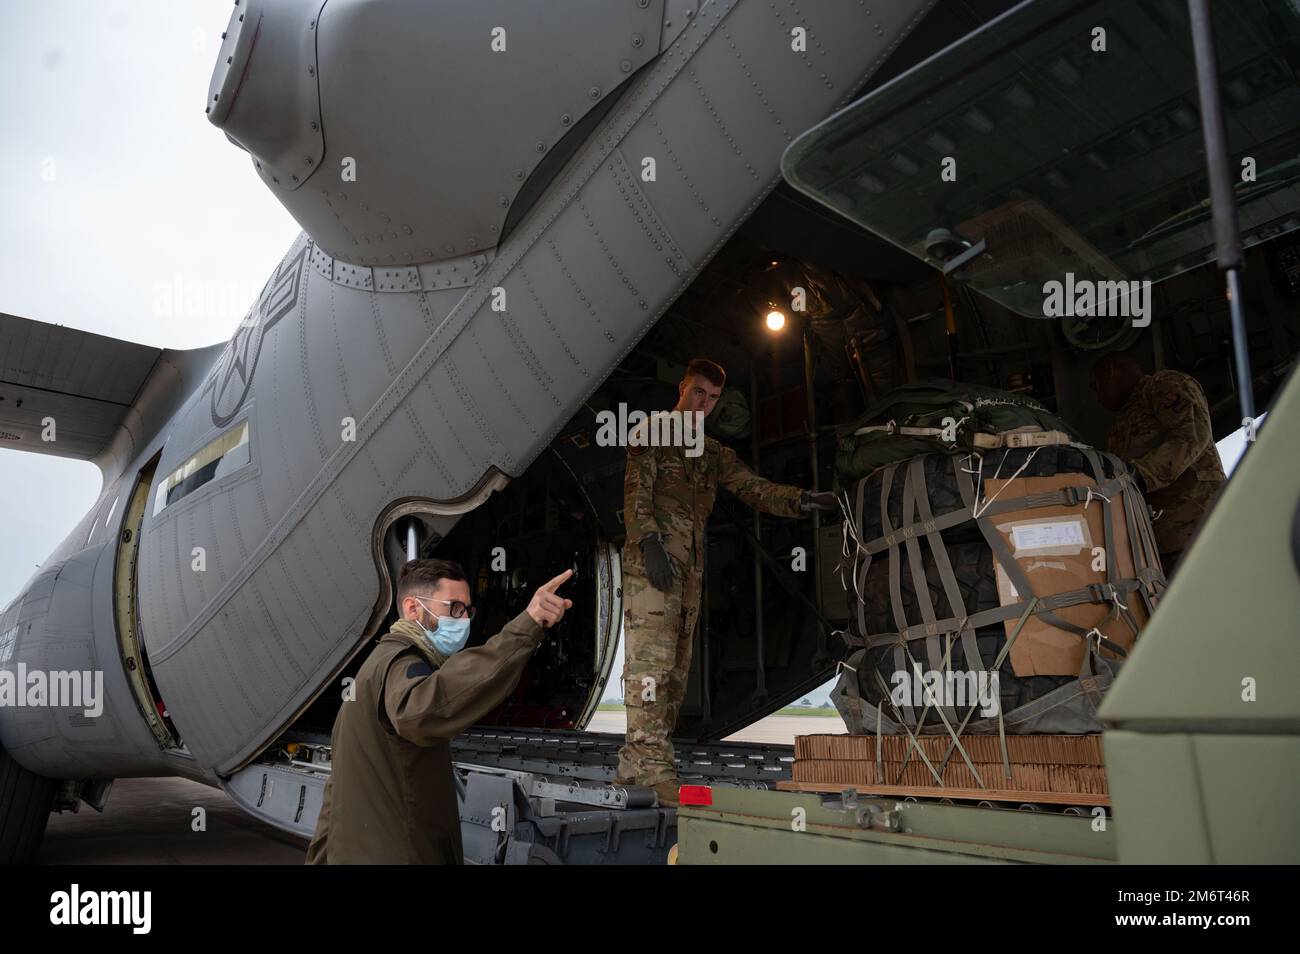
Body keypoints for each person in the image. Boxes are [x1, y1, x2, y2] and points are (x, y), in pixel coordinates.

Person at [615, 359, 837, 805]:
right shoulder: (652, 430)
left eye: (713, 398)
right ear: (682, 387)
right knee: (650, 668)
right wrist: (649, 544)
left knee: (676, 671)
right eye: (699, 393)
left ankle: (641, 768)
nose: (704, 404)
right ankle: (650, 769)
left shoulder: (712, 452)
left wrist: (802, 500)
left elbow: (753, 487)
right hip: (652, 568)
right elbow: (636, 489)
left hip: (688, 573)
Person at [305, 558, 572, 864]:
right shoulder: (402, 664)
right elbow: (423, 713)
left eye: (467, 610)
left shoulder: (373, 670)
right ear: (413, 608)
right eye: (453, 607)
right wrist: (527, 626)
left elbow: (336, 794)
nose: (463, 619)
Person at [1089, 352, 1226, 570]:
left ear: (1111, 371)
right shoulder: (1120, 428)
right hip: (1162, 542)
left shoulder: (1163, 385)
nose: (1098, 397)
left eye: (1096, 387)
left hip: (1201, 525)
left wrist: (1138, 476)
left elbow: (1192, 436)